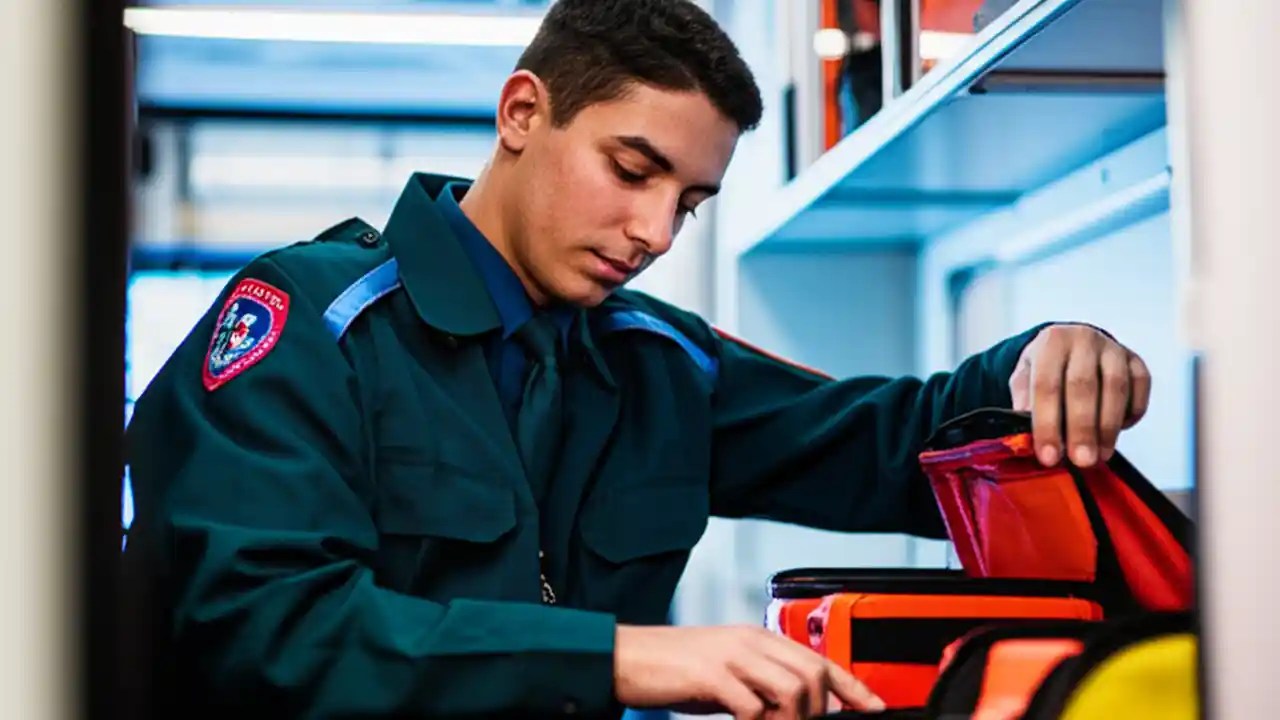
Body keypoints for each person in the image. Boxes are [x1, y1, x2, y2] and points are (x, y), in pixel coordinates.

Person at [122, 0, 1153, 718]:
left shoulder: (659, 364)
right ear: (522, 112)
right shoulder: (311, 319)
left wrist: (1052, 358)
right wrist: (621, 658)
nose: (655, 233)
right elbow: (267, 633)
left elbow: (889, 442)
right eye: (631, 170)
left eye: (689, 203)